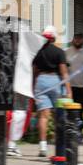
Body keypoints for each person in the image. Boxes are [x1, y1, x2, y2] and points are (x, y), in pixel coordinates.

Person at [32, 26, 69, 157]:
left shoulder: (38, 52)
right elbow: (64, 73)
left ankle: (43, 147)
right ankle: (61, 145)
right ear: (54, 38)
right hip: (55, 81)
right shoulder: (59, 52)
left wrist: (33, 87)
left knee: (43, 116)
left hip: (41, 81)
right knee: (59, 114)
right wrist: (69, 91)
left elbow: (34, 72)